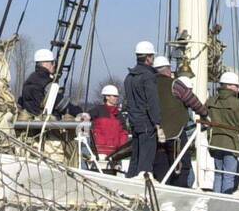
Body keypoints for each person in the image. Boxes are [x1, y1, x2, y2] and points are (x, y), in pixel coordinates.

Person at [153, 56, 209, 185]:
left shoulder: (149, 85)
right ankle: (180, 190)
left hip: (155, 134)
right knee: (182, 165)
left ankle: (163, 189)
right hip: (175, 133)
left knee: (161, 164)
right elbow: (192, 101)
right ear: (168, 70)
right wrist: (205, 113)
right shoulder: (174, 84)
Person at [123, 40, 163, 178]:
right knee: (146, 159)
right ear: (148, 58)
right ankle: (143, 184)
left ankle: (130, 180)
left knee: (135, 156)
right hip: (146, 123)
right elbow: (153, 102)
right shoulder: (148, 77)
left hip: (134, 122)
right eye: (152, 56)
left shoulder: (129, 77)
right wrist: (158, 123)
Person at [206, 69, 239, 194]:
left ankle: (215, 200)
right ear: (229, 86)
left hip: (215, 141)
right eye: (236, 86)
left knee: (218, 174)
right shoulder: (237, 103)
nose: (238, 88)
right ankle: (225, 203)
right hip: (231, 143)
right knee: (229, 176)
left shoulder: (211, 101)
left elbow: (204, 116)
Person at [18, 48, 87, 121]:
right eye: (52, 62)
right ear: (45, 64)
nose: (54, 65)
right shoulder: (46, 82)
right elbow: (61, 104)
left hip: (31, 125)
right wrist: (78, 112)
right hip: (45, 126)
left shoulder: (29, 80)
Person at [87, 85, 129, 164]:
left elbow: (124, 133)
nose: (116, 98)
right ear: (107, 97)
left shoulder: (119, 115)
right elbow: (86, 117)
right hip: (99, 152)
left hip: (115, 154)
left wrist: (121, 149)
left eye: (117, 96)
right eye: (114, 96)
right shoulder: (98, 110)